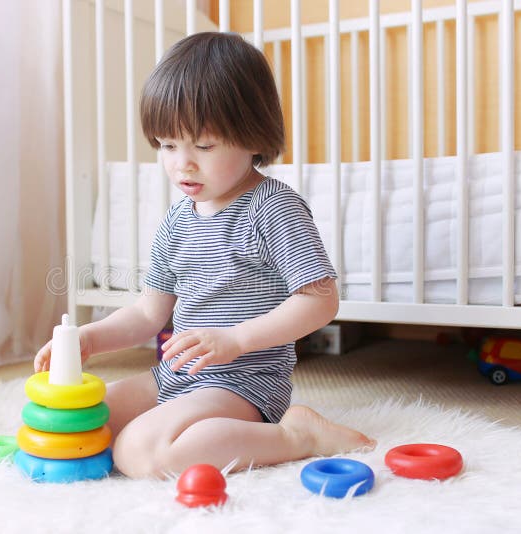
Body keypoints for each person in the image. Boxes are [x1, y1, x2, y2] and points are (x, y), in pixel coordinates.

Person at [34, 32, 374, 479]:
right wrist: (92, 339)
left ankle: (297, 436)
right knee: (81, 423)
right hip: (175, 378)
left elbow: (319, 300)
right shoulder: (178, 220)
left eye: (204, 146)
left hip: (244, 385)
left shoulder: (272, 207)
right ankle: (183, 427)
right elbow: (148, 313)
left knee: (140, 452)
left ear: (254, 136)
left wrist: (235, 340)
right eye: (168, 145)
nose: (182, 164)